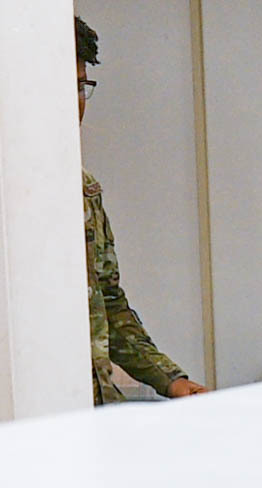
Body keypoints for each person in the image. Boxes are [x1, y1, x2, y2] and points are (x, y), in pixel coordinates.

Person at [77, 16, 208, 405]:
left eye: (81, 86)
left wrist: (169, 379)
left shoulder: (83, 189)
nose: (75, 101)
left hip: (94, 407)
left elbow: (108, 303)